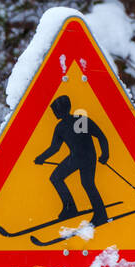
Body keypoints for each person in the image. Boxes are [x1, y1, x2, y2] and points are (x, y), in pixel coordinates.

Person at [34, 96, 110, 226]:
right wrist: (104, 155)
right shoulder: (80, 120)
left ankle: (71, 208)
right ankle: (100, 214)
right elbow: (101, 137)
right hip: (88, 156)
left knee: (56, 178)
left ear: (60, 110)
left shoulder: (63, 126)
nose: (53, 113)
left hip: (77, 158)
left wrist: (41, 158)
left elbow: (54, 148)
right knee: (87, 184)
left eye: (54, 110)